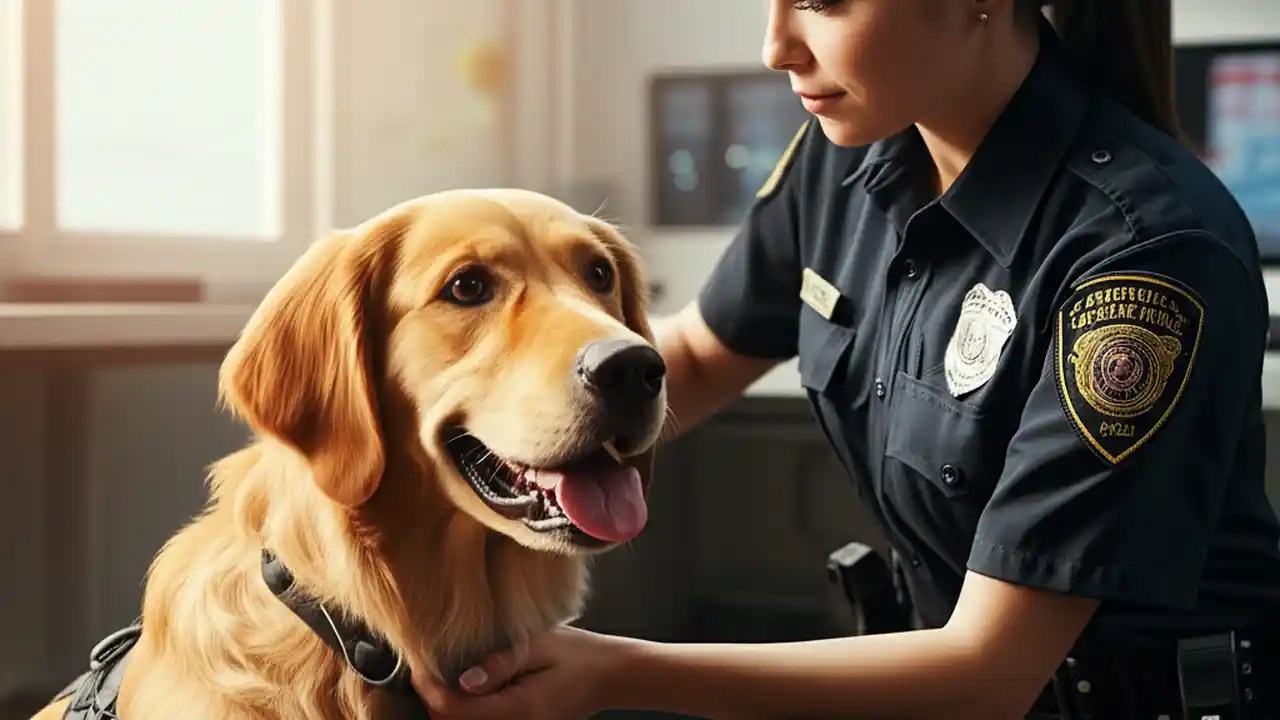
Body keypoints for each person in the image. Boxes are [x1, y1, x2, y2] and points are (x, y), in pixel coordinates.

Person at [417, 0, 1280, 717]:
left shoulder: (1145, 257)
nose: (775, 45)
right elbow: (696, 355)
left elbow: (990, 672)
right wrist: (470, 439)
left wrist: (611, 672)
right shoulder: (847, 158)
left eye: (823, 1)